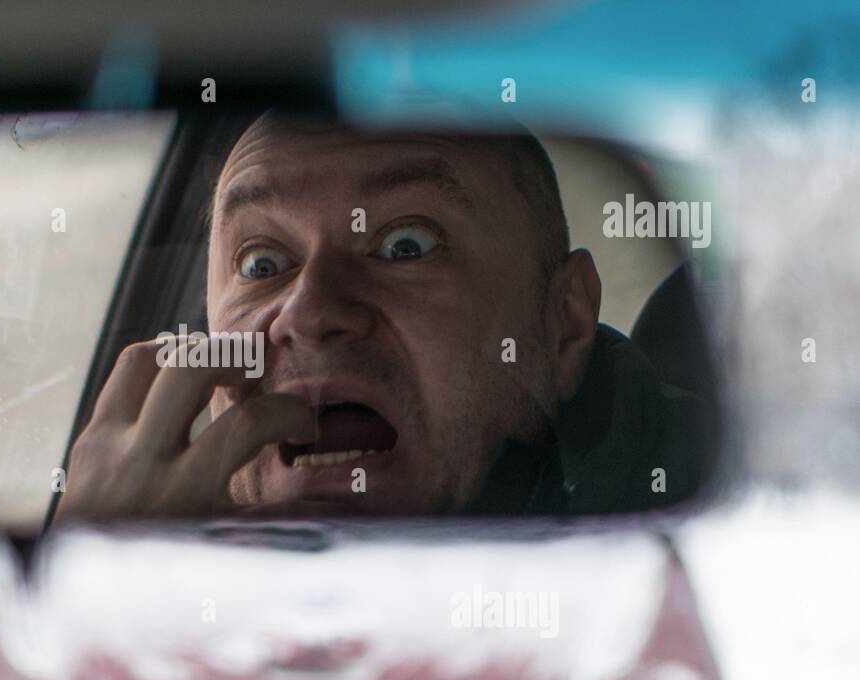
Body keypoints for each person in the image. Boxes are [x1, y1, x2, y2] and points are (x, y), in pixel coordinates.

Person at [57, 113, 709, 520]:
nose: (308, 312)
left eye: (407, 245)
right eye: (260, 264)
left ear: (563, 323)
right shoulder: (167, 554)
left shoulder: (688, 530)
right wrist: (109, 562)